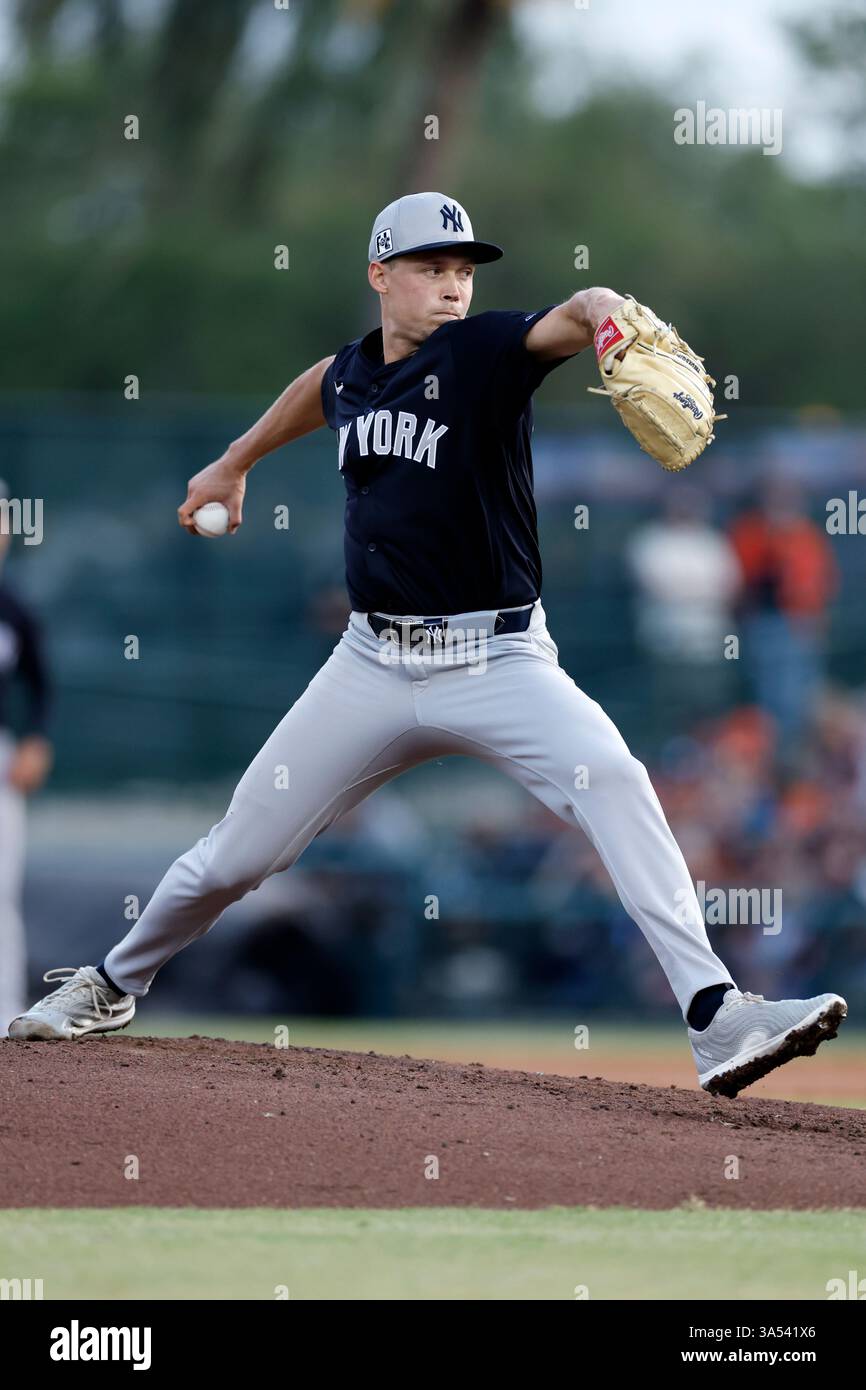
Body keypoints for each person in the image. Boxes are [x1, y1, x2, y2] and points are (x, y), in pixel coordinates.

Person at [9, 193, 847, 1097]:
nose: (451, 288)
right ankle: (112, 983)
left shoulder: (482, 352)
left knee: (614, 779)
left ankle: (715, 1017)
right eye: (430, 269)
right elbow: (320, 387)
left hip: (500, 661)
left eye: (462, 272)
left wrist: (604, 309)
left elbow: (566, 319)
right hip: (370, 665)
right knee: (240, 855)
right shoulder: (354, 376)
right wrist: (235, 461)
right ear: (380, 275)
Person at [0, 477, 53, 1035]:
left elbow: (41, 684)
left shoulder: (13, 607)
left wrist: (36, 739)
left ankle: (3, 1012)